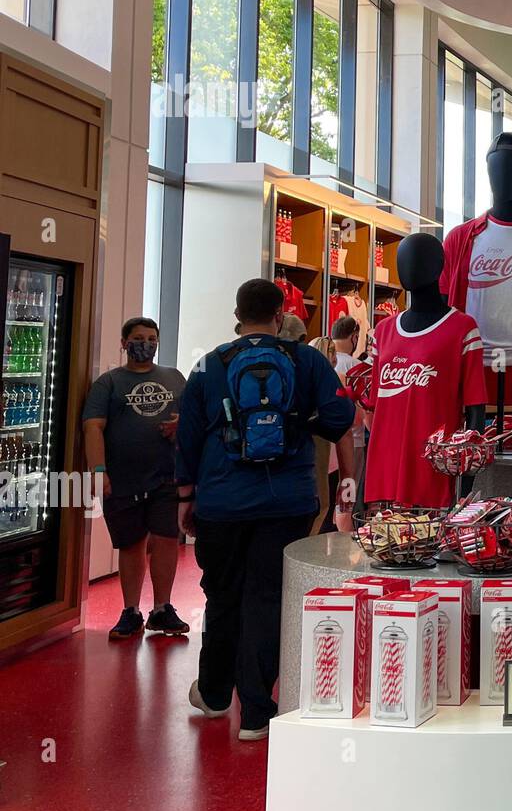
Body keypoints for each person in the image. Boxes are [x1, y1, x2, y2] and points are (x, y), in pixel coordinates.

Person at [175, 278, 357, 741]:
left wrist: (185, 498)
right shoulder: (307, 359)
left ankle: (215, 695)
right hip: (287, 500)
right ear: (280, 314)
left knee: (222, 594)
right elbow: (340, 419)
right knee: (267, 597)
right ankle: (256, 712)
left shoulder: (207, 365)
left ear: (237, 315)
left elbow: (188, 437)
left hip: (221, 500)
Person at [81, 317, 189, 640]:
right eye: (139, 338)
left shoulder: (174, 378)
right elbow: (93, 427)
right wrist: (98, 471)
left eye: (152, 337)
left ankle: (162, 609)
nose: (146, 343)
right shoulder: (108, 383)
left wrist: (180, 425)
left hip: (166, 477)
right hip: (123, 480)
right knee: (131, 545)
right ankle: (131, 611)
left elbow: (194, 420)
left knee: (167, 540)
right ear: (124, 343)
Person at [331, 315, 368, 499]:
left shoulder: (322, 360)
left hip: (328, 443)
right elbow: (364, 411)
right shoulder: (357, 368)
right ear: (354, 337)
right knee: (347, 498)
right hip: (353, 441)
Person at [309, 336, 340, 532]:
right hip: (328, 449)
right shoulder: (332, 380)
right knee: (324, 505)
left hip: (323, 451)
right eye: (332, 352)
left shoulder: (307, 377)